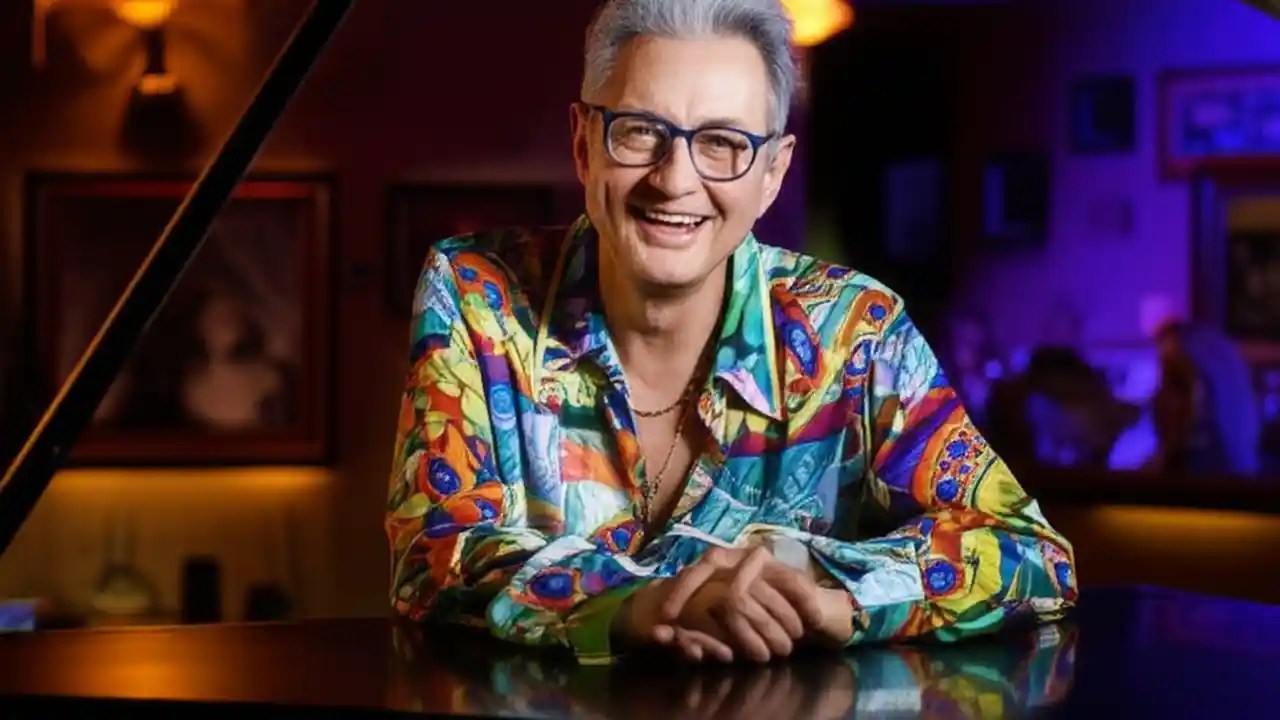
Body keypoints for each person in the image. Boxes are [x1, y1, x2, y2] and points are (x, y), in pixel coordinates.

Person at [383, 0, 1076, 666]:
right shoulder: (475, 294)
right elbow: (436, 553)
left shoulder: (852, 330)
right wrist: (635, 603)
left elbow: (1028, 554)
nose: (675, 179)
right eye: (639, 131)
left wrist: (827, 597)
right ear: (584, 145)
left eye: (723, 143)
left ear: (773, 173)